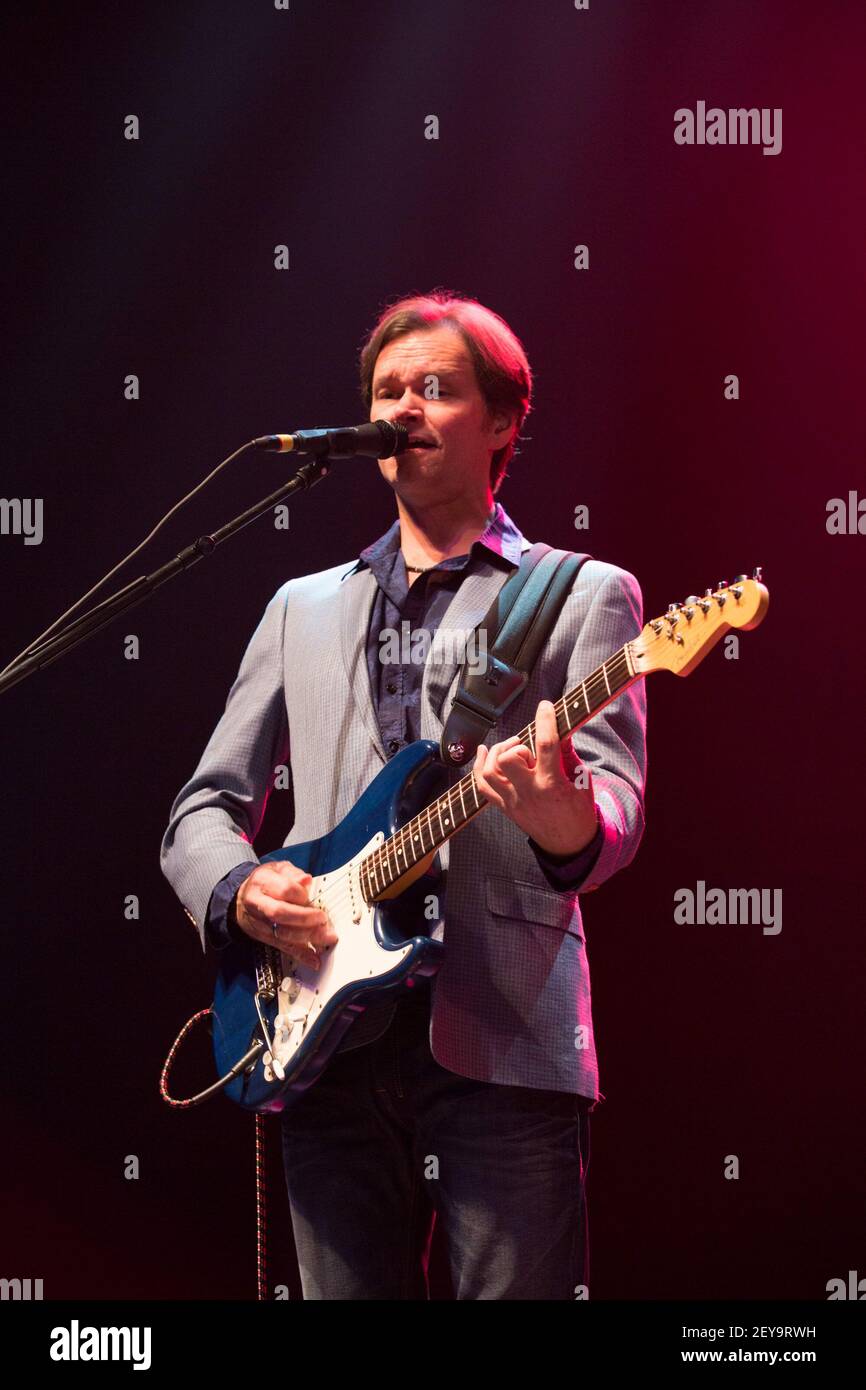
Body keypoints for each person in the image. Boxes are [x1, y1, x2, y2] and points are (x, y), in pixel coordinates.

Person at [160, 290, 647, 1300]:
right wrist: (245, 891)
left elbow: (613, 818)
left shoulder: (581, 593)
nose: (405, 407)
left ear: (503, 420)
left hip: (501, 1041)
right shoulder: (300, 605)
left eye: (434, 387)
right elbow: (202, 807)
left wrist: (551, 804)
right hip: (323, 1042)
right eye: (389, 390)